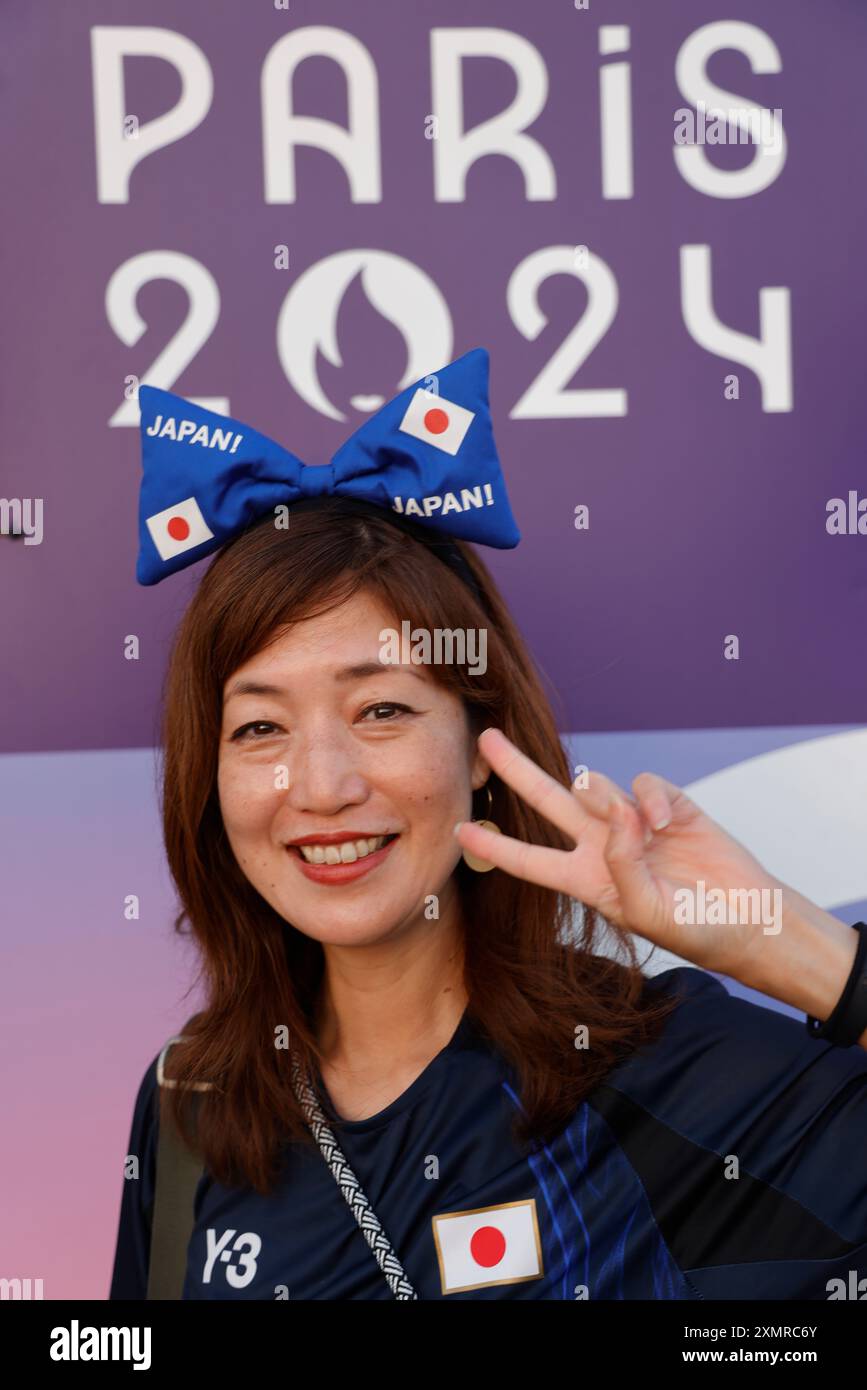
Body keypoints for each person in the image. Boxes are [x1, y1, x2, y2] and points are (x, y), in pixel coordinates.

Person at [109, 349, 867, 1300]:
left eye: (380, 710)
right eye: (260, 726)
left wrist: (787, 944)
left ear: (480, 743)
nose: (323, 785)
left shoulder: (658, 1070)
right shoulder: (191, 1100)